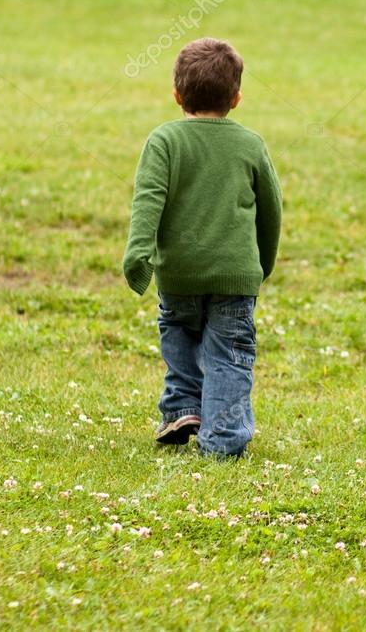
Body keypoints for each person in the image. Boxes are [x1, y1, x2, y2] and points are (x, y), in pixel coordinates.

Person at [122, 37, 282, 457]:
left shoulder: (164, 141)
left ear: (176, 94)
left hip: (179, 273)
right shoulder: (251, 144)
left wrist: (138, 253)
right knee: (230, 354)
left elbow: (147, 200)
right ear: (237, 97)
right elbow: (271, 210)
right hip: (236, 275)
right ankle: (223, 440)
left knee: (180, 335)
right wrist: (262, 263)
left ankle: (182, 408)